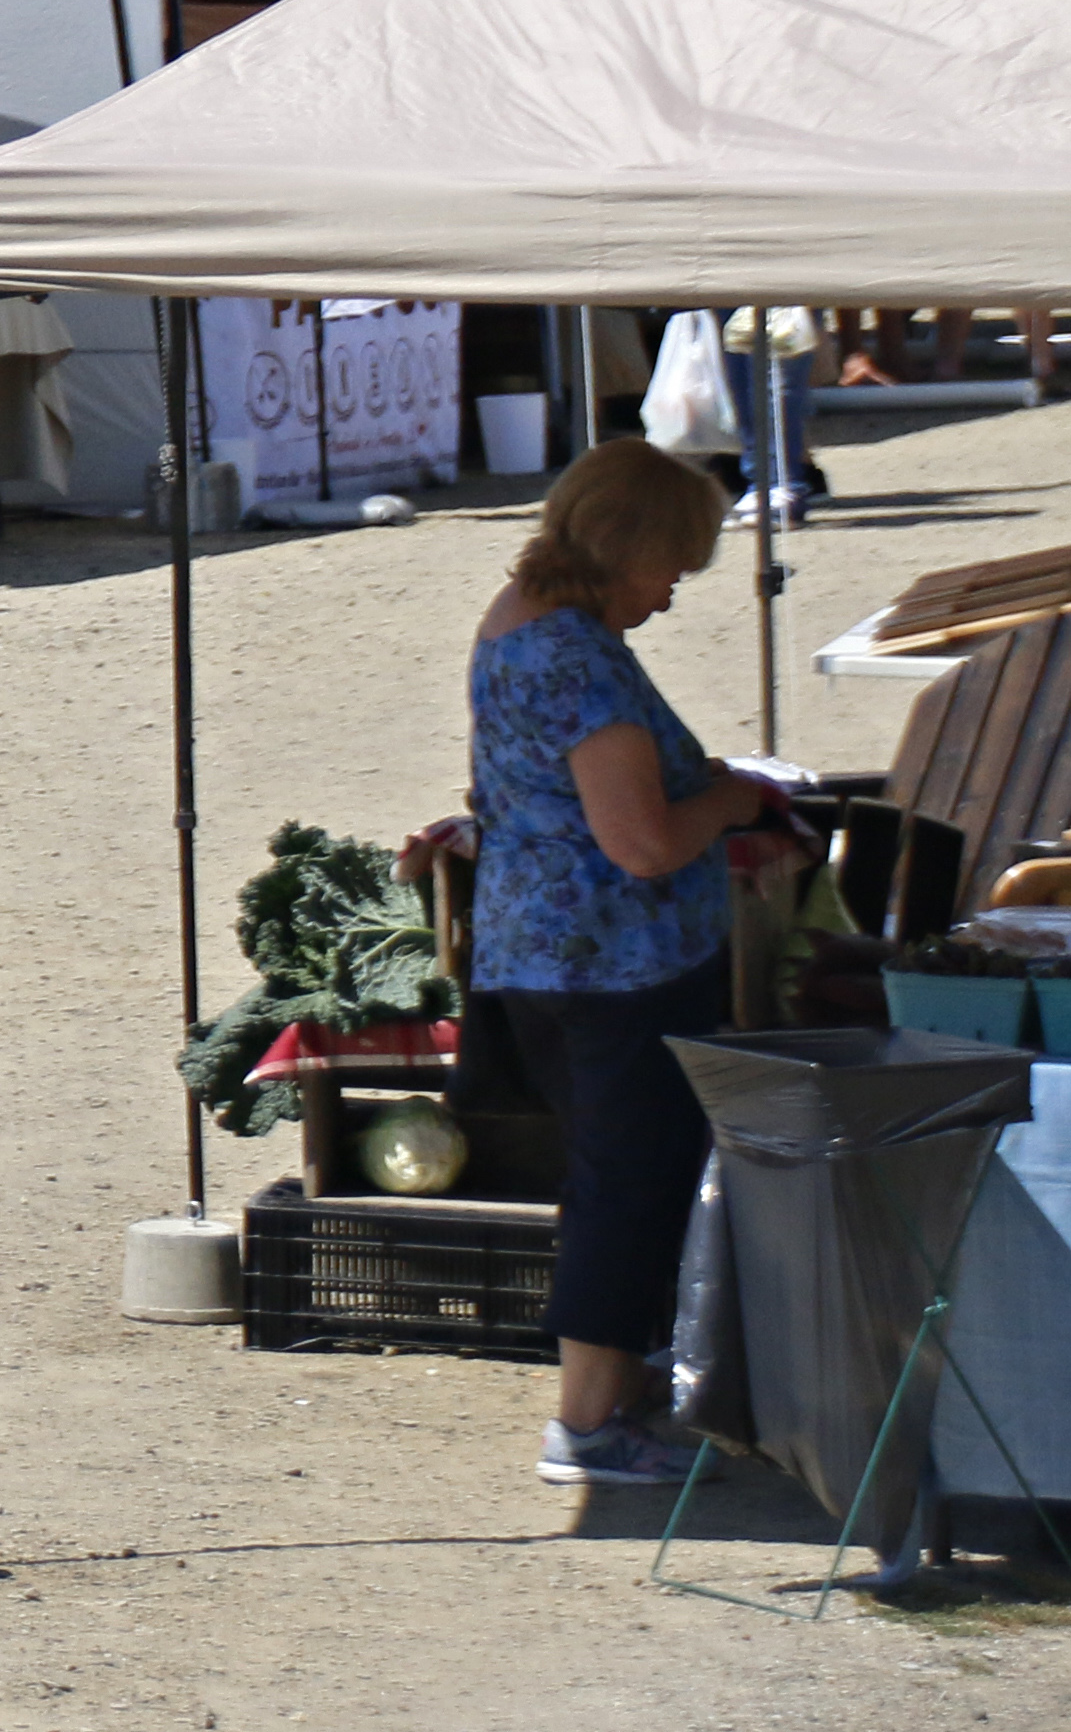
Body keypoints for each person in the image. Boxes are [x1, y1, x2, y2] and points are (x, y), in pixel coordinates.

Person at [470, 442, 801, 1492]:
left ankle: (611, 1386)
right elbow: (642, 844)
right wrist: (732, 802)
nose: (671, 590)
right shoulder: (575, 657)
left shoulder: (515, 614)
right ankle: (588, 1423)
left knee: (607, 1179)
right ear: (633, 547)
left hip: (540, 952)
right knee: (629, 1186)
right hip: (617, 965)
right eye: (671, 566)